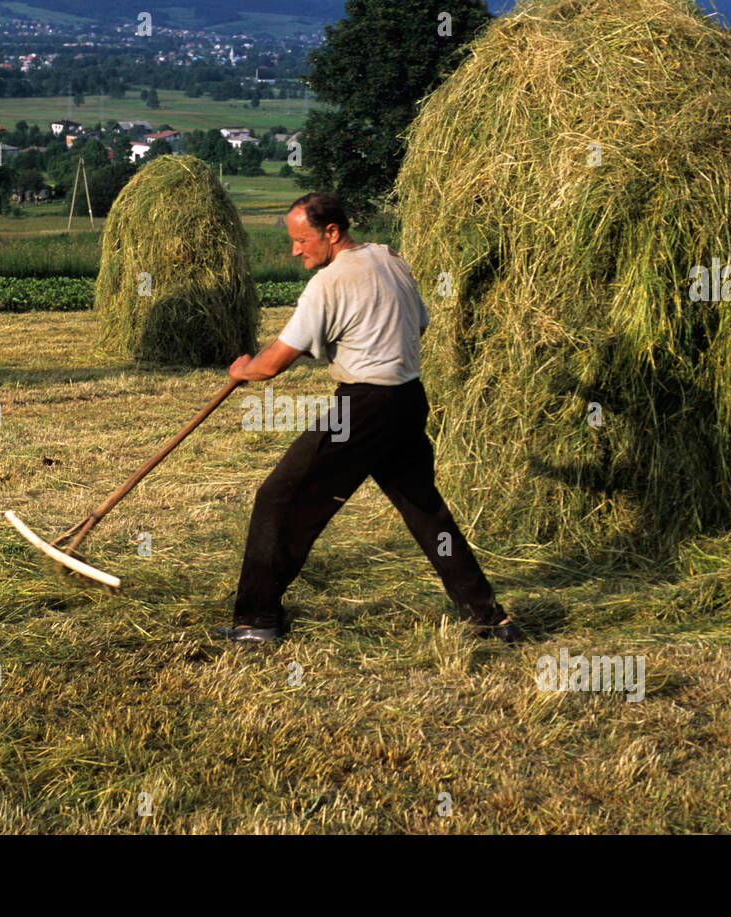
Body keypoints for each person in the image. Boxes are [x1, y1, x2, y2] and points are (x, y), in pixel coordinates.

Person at [209, 191, 522, 645]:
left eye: (302, 240)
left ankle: (257, 621)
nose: (296, 250)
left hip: (364, 409)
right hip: (409, 400)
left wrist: (243, 370)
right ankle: (489, 618)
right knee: (425, 511)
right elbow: (420, 324)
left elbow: (274, 362)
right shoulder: (391, 260)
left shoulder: (328, 283)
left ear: (332, 233)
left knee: (279, 498)